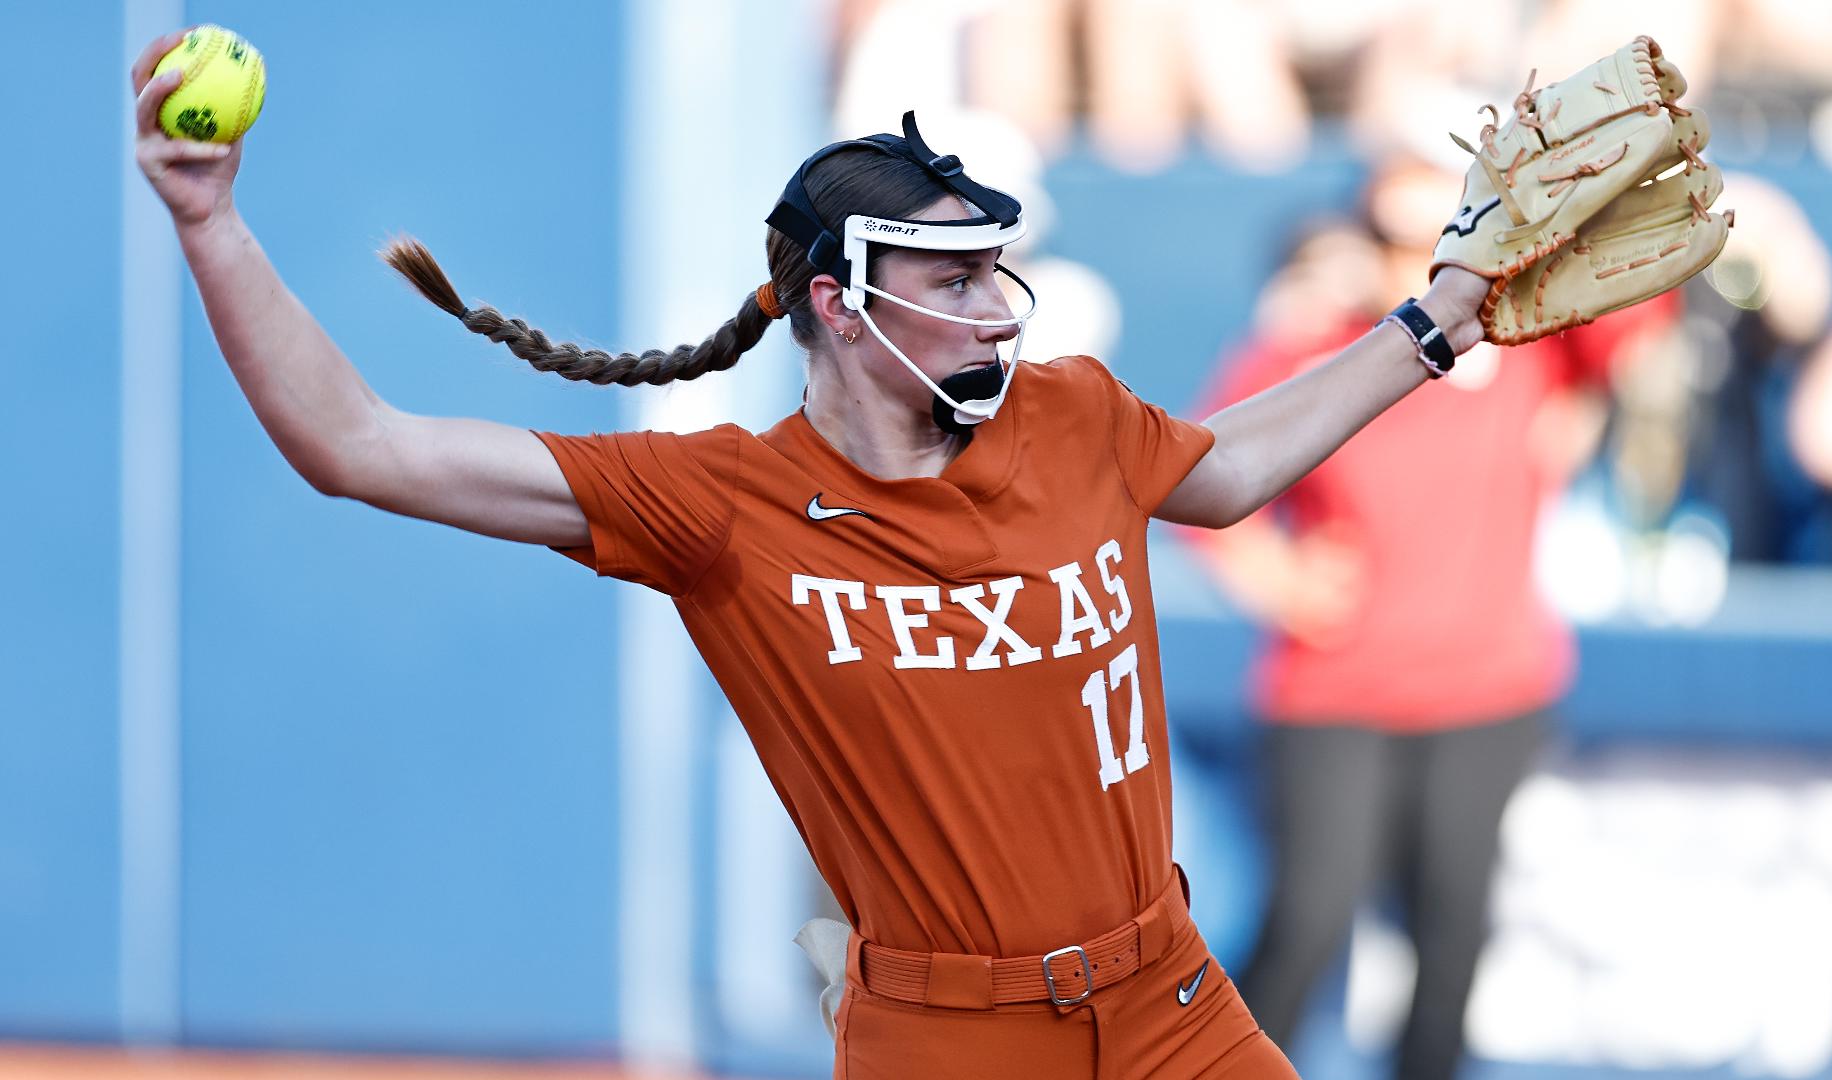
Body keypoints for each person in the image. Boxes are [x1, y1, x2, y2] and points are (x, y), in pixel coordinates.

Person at [133, 26, 1494, 1078]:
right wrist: (209, 220)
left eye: (992, 273)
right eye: (951, 280)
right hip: (952, 1041)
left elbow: (1236, 466)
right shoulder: (722, 505)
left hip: (1170, 1002)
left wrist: (1437, 318)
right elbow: (361, 447)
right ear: (842, 306)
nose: (993, 308)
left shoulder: (1074, 414)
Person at [1185, 156, 1674, 1080]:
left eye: (1436, 242)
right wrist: (1273, 574)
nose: (1415, 266)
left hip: (1488, 686)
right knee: (1308, 923)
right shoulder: (1317, 347)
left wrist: (1592, 188)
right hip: (1337, 691)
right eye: (1390, 240)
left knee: (1453, 940)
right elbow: (1201, 468)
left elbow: (1638, 306)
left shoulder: (1531, 345)